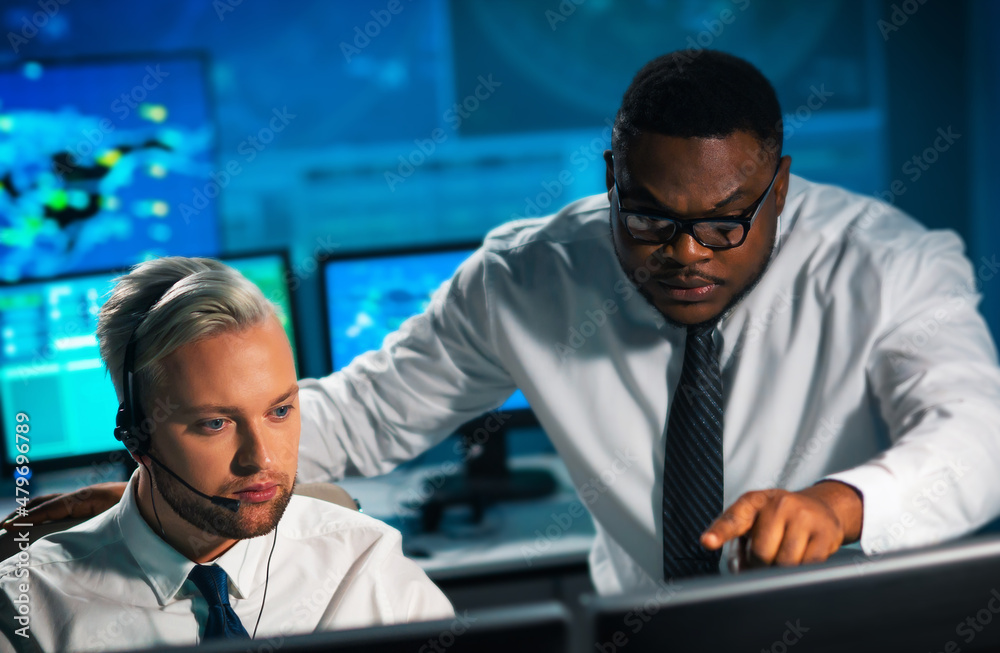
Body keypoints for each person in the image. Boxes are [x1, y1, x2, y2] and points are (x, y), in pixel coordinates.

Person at [13, 50, 1000, 596]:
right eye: (652, 216)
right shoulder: (530, 275)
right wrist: (175, 481)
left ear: (781, 189)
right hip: (643, 620)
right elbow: (366, 414)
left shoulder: (889, 263)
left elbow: (981, 434)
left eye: (724, 222)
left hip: (850, 621)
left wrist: (839, 501)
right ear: (611, 178)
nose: (686, 253)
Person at [0, 258, 452, 652]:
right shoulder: (27, 611)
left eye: (279, 410)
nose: (262, 460)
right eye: (215, 423)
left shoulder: (368, 567)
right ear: (137, 435)